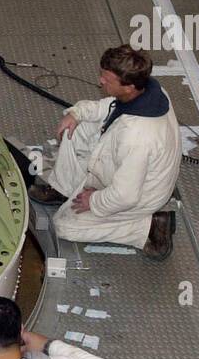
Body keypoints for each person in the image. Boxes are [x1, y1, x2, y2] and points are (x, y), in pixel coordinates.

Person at [30, 44, 180, 259]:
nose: (100, 81)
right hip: (132, 172)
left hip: (138, 195)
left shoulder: (137, 137)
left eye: (106, 79)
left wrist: (94, 201)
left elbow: (125, 196)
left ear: (128, 87)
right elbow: (107, 106)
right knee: (79, 126)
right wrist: (76, 113)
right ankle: (63, 188)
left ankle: (149, 226)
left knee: (64, 227)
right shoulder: (147, 90)